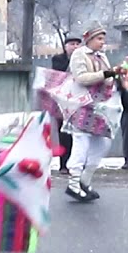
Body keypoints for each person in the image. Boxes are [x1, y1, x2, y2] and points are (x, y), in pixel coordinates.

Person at [65, 25, 122, 201]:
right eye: (99, 39)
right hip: (83, 105)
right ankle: (73, 183)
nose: (102, 43)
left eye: (103, 39)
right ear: (89, 39)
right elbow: (81, 77)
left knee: (102, 143)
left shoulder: (102, 56)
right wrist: (105, 74)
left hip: (100, 108)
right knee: (81, 143)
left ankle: (85, 180)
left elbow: (107, 78)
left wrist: (115, 75)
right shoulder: (79, 54)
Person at [51, 37, 82, 174]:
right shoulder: (59, 59)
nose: (75, 47)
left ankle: (77, 164)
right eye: (72, 44)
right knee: (64, 133)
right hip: (63, 101)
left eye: (77, 44)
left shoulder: (83, 59)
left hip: (79, 100)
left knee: (79, 133)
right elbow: (60, 73)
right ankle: (63, 164)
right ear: (65, 46)